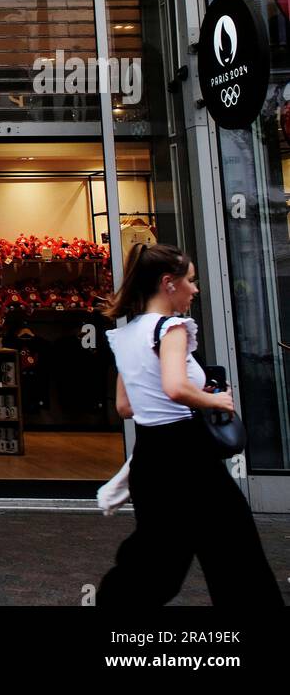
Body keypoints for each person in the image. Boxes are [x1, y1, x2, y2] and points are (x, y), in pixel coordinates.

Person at [97, 243, 283, 606]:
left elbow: (124, 406)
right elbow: (175, 387)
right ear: (169, 283)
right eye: (191, 281)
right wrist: (215, 399)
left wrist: (164, 398)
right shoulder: (172, 328)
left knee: (157, 558)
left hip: (150, 456)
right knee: (235, 550)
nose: (195, 290)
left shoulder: (129, 333)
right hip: (188, 454)